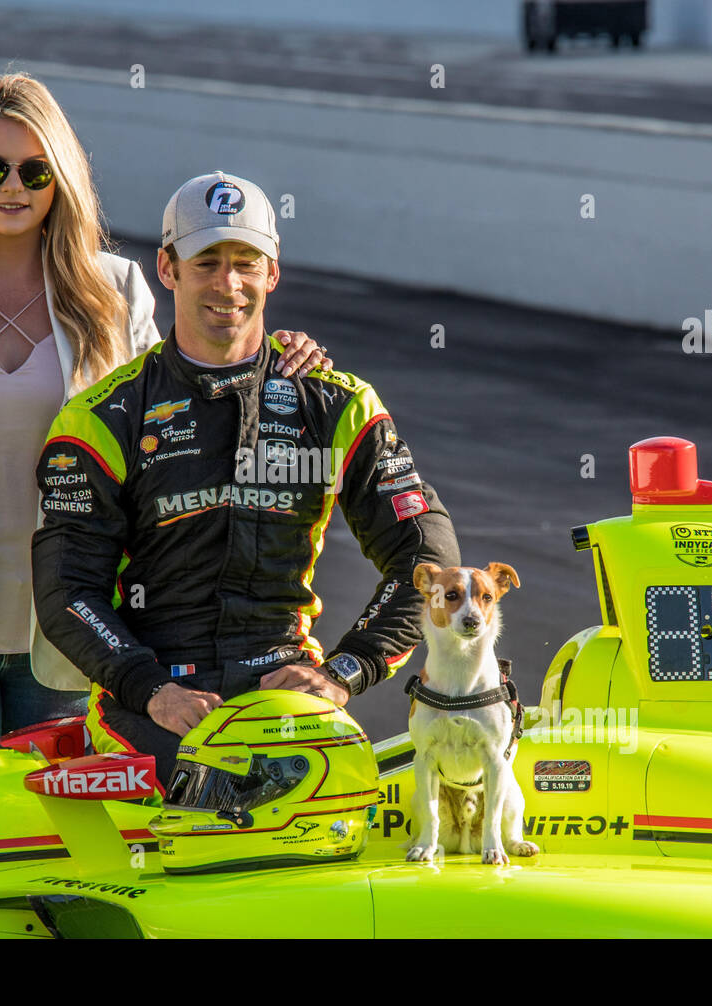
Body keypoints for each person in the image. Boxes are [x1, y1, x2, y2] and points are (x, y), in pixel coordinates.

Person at [0, 77, 328, 756]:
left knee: (57, 847)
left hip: (74, 644)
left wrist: (275, 358)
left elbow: (184, 411)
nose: (12, 186)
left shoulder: (116, 291)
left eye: (34, 170)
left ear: (59, 177)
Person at [32, 171, 460, 782]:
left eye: (245, 262)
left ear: (273, 273)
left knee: (330, 800)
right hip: (154, 701)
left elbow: (428, 558)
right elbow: (66, 590)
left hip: (287, 688)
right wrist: (149, 688)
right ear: (167, 268)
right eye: (206, 261)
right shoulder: (103, 418)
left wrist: (347, 668)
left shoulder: (336, 404)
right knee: (197, 797)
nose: (227, 283)